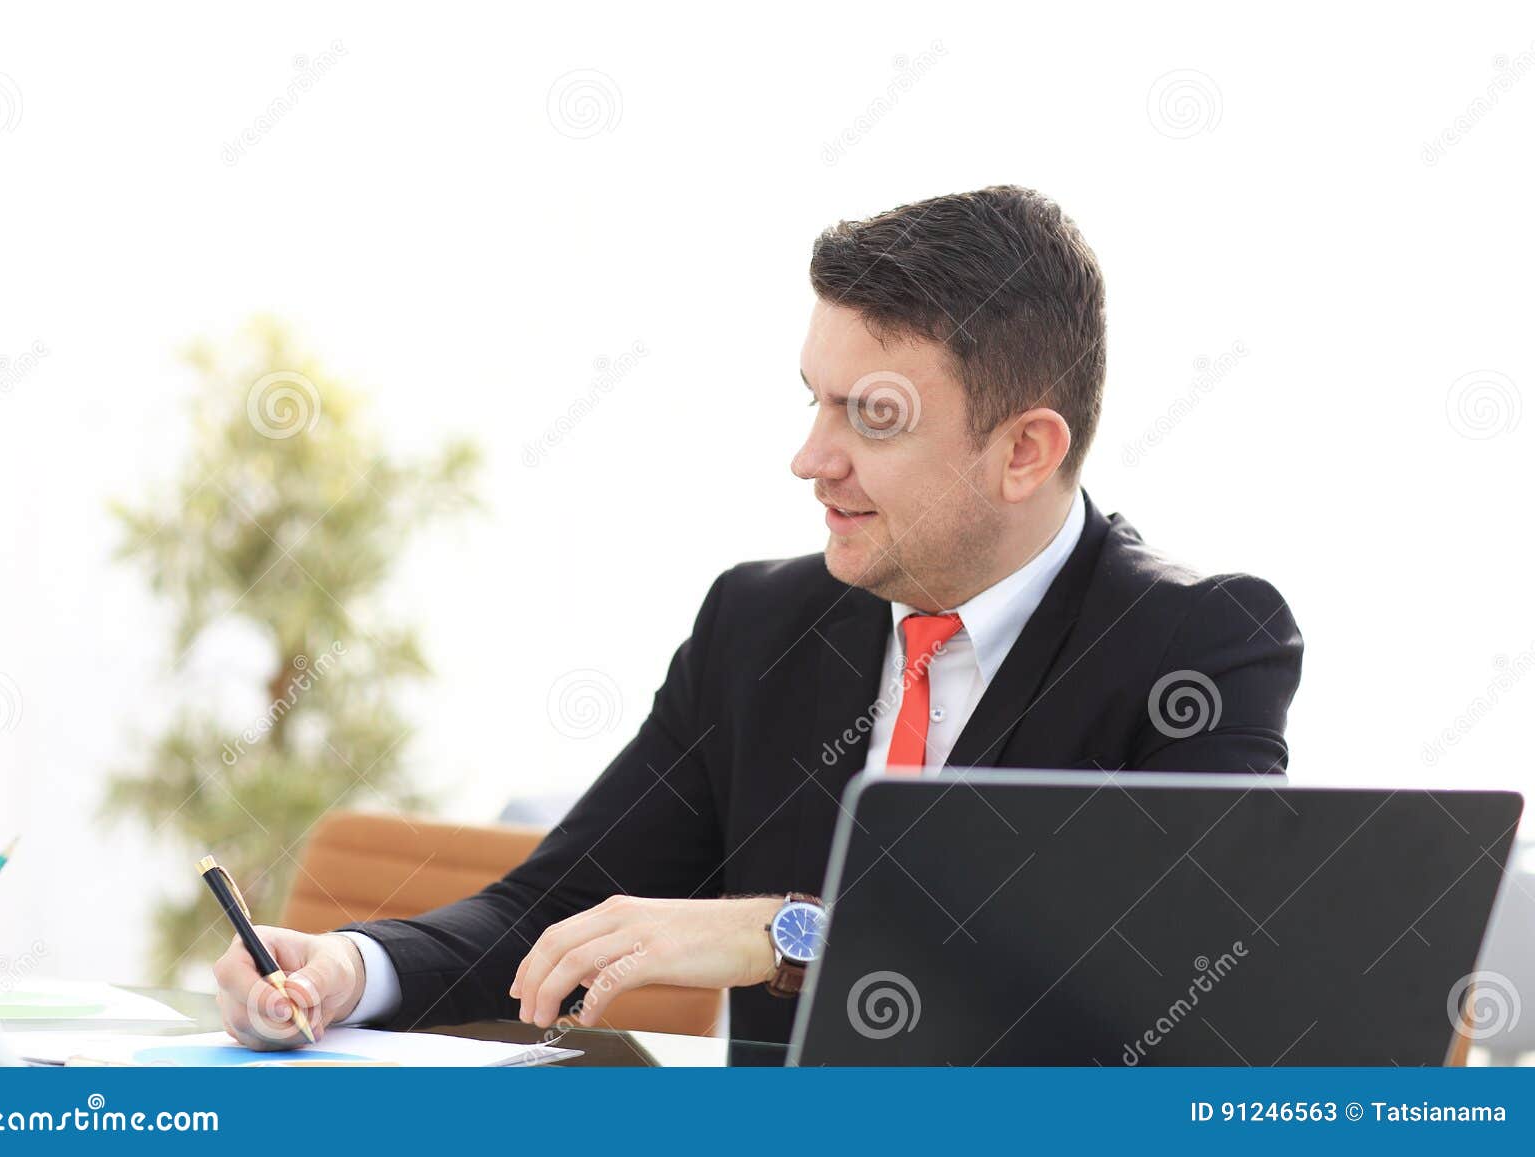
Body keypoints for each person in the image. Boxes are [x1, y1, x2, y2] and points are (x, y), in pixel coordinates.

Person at [213, 184, 1303, 1049]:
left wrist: (784, 934)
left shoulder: (1199, 643)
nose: (810, 457)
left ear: (1025, 450)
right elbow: (556, 906)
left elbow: (1166, 964)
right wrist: (350, 966)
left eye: (872, 417)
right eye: (815, 400)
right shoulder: (760, 625)